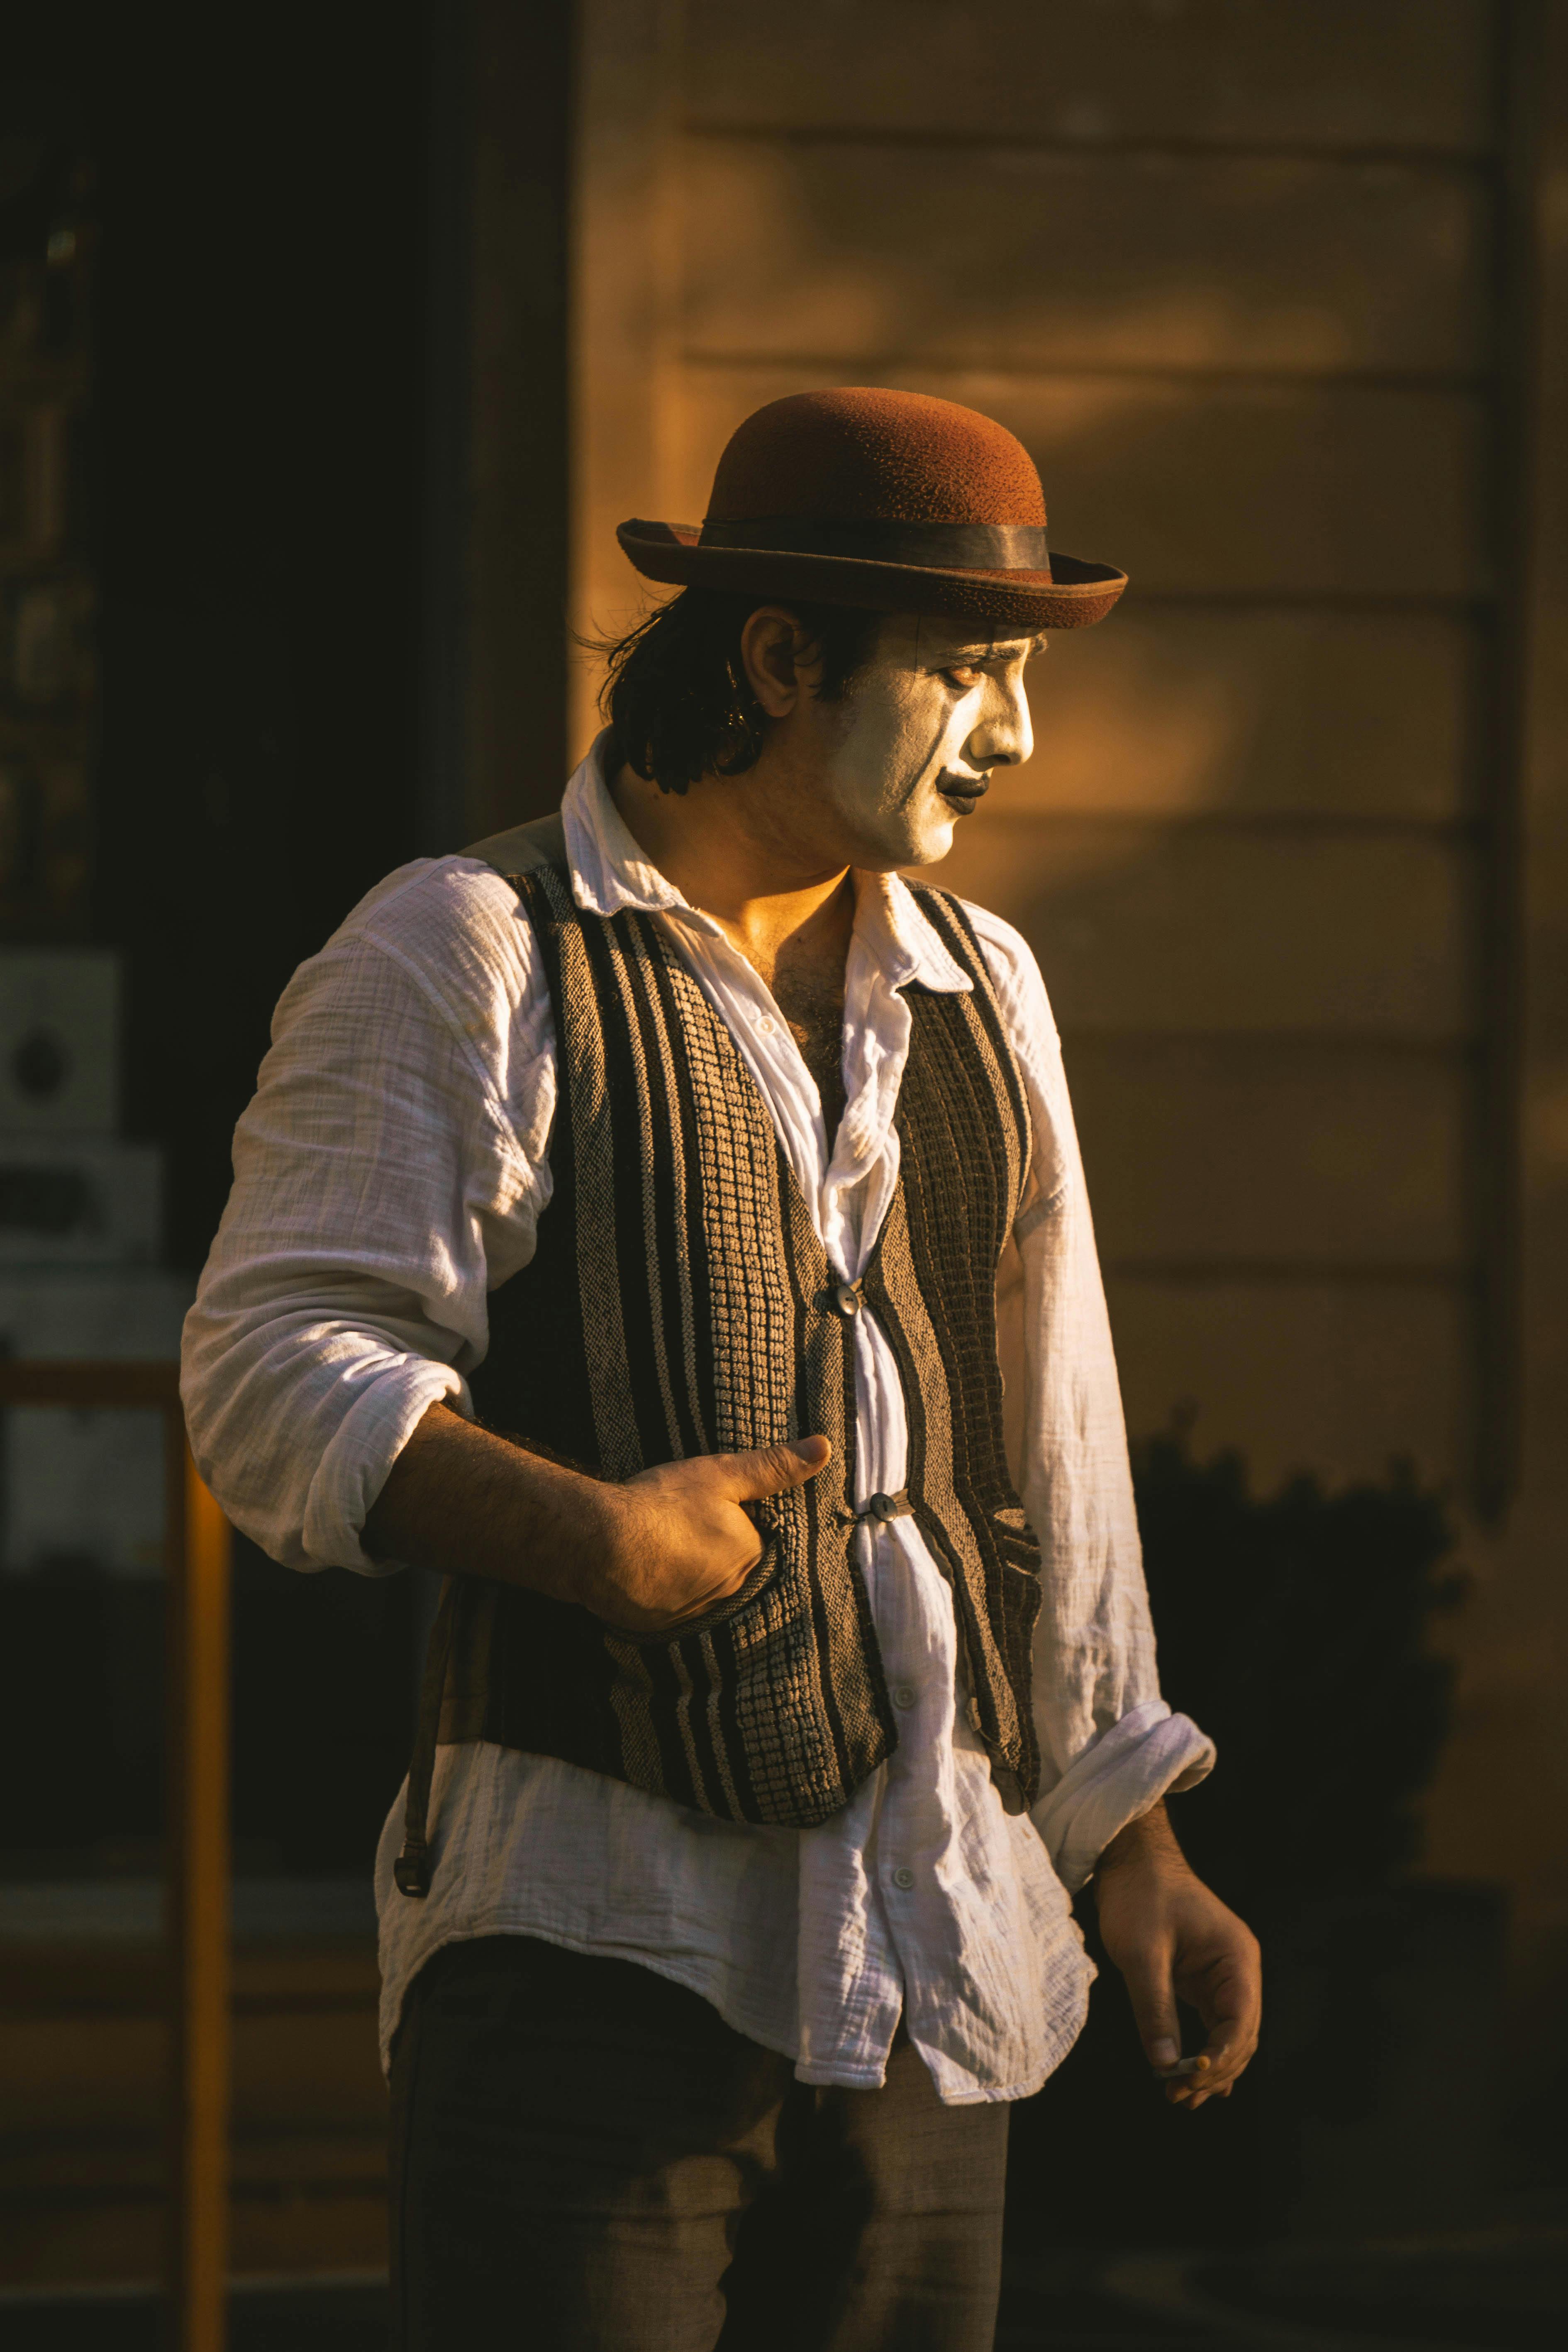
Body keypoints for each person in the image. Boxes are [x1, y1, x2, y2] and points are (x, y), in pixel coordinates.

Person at [183, 385, 1261, 2352]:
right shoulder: (471, 949)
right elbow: (268, 1363)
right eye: (966, 670)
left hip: (942, 1971)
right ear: (779, 658)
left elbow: (1060, 1452)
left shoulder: (983, 984)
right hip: (593, 1963)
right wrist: (579, 1533)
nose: (1013, 734)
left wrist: (1138, 1845)